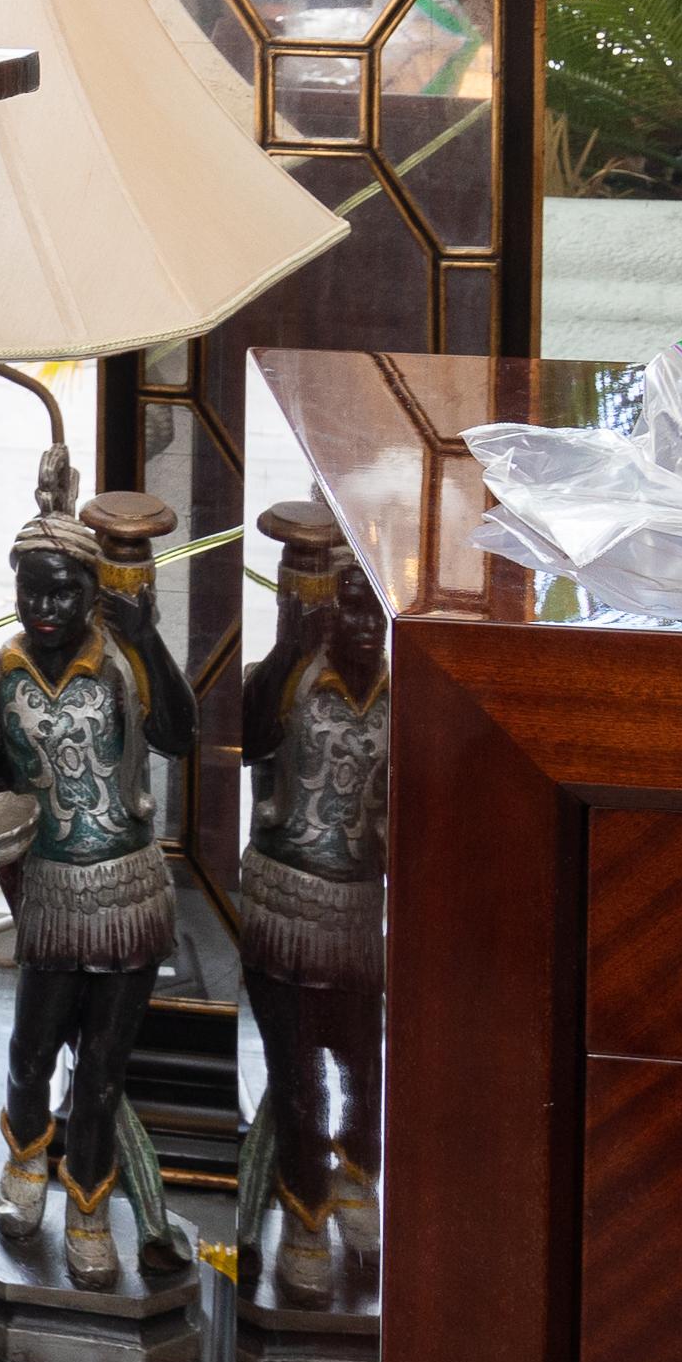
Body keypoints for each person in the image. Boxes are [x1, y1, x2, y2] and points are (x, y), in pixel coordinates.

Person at [0, 511, 197, 1286]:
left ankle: (88, 1205)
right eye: (31, 592)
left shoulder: (123, 663)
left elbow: (182, 736)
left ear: (94, 593)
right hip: (54, 894)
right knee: (28, 1053)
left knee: (101, 1072)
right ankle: (25, 1163)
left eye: (62, 593)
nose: (44, 608)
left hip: (128, 893)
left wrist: (149, 638)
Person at [242, 512, 389, 1301]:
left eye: (375, 612)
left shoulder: (404, 696)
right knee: (300, 1081)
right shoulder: (289, 681)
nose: (362, 627)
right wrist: (289, 642)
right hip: (287, 915)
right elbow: (245, 732)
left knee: (366, 1070)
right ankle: (306, 1211)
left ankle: (357, 1177)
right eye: (348, 608)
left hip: (358, 919)